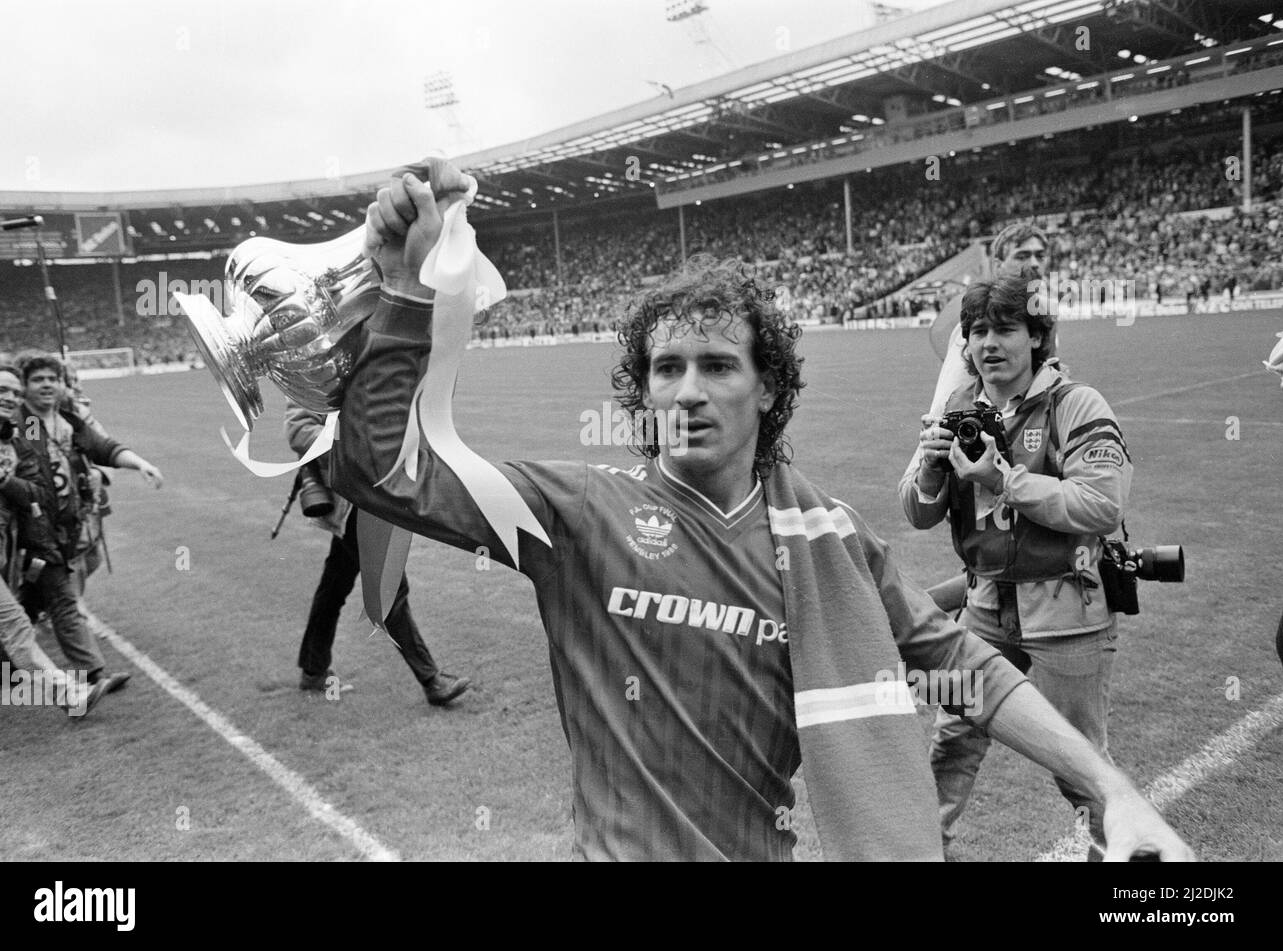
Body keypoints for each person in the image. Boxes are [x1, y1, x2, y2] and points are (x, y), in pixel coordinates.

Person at [306, 162, 1190, 861]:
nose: (688, 389)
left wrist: (1112, 788)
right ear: (641, 389)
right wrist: (407, 288)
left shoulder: (828, 541)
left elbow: (968, 668)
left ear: (768, 387)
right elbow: (380, 468)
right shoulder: (575, 512)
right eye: (666, 366)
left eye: (719, 365)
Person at [900, 272, 1131, 859]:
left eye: (1005, 328)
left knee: (1079, 763)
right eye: (977, 331)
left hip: (1066, 612)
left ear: (1037, 337)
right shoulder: (959, 409)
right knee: (952, 743)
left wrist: (1004, 479)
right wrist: (930, 471)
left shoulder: (1075, 404)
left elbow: (1101, 505)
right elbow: (918, 514)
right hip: (983, 609)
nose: (988, 343)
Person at [0, 354, 163, 692]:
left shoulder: (69, 420)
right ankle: (92, 675)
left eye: (53, 379)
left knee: (36, 595)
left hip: (66, 524)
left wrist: (138, 464)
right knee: (61, 596)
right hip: (31, 528)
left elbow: (103, 448)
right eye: (38, 380)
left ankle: (2, 668)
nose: (47, 385)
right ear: (24, 387)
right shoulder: (17, 426)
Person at [284, 400, 471, 705]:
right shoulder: (310, 379)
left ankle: (313, 670)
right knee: (390, 587)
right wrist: (353, 441)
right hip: (352, 499)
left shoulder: (351, 364)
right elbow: (298, 431)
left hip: (374, 495)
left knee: (334, 587)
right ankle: (431, 680)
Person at [923, 222, 1051, 613]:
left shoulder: (1039, 310)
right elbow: (949, 381)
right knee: (988, 547)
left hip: (1014, 443)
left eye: (1039, 256)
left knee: (1000, 552)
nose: (1033, 264)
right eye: (1021, 255)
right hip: (960, 434)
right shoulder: (980, 317)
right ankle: (908, 610)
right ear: (997, 263)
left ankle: (912, 610)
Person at [0, 365, 110, 717]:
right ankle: (70, 696)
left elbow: (35, 492)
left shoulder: (15, 442)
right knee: (15, 624)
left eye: (14, 392)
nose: (9, 398)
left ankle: (7, 678)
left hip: (1, 546)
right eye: (0, 390)